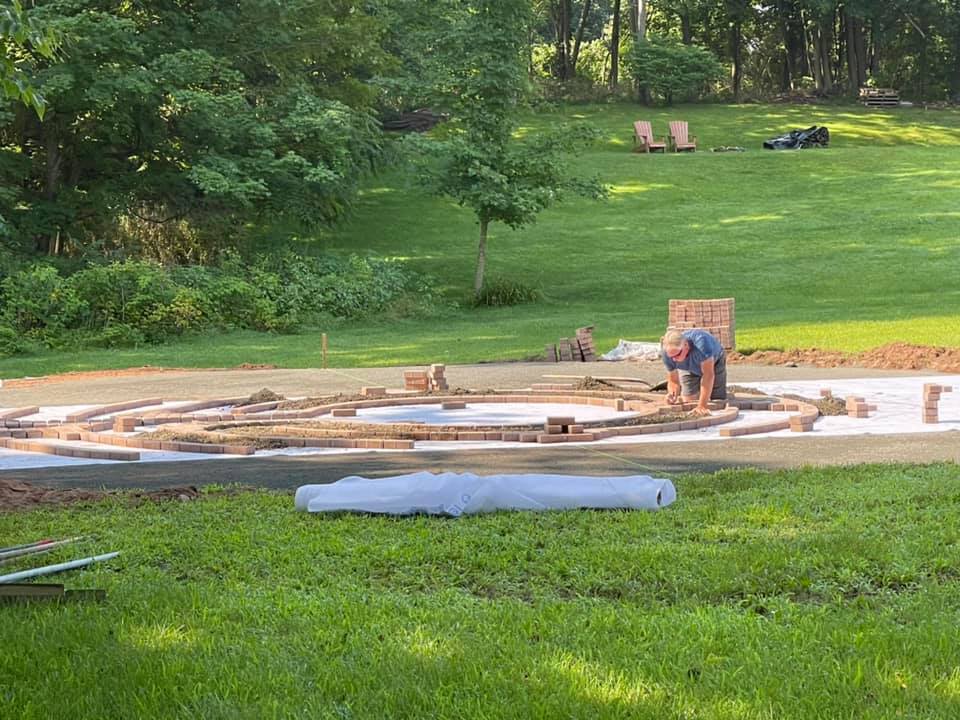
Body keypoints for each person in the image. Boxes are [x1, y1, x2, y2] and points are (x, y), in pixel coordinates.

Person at [660, 328, 727, 416]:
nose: (674, 359)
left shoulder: (702, 344)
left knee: (718, 401)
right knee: (689, 402)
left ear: (686, 345)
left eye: (677, 355)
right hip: (689, 368)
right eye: (671, 356)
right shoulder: (667, 354)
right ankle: (701, 395)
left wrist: (702, 406)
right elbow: (673, 381)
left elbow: (708, 375)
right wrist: (672, 395)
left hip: (715, 363)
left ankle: (709, 395)